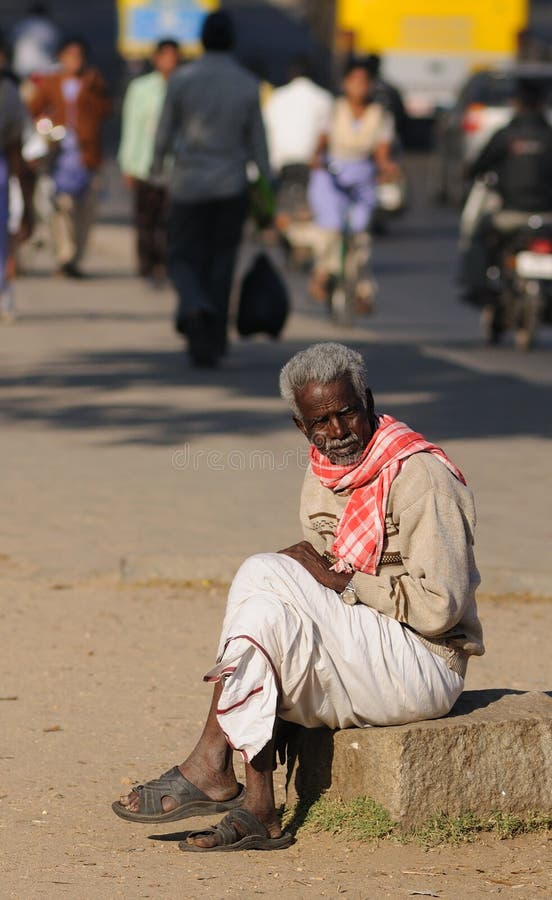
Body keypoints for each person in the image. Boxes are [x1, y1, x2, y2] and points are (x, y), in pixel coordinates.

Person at [112, 342, 484, 852]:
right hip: (363, 651)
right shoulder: (320, 475)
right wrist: (328, 584)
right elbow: (317, 590)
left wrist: (347, 583)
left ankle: (212, 763)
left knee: (263, 571)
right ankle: (258, 804)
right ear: (300, 426)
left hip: (425, 661)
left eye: (347, 412)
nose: (337, 432)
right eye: (321, 421)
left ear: (368, 402)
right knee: (266, 605)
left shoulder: (422, 478)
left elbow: (441, 608)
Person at [151, 10, 271, 367]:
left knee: (181, 257)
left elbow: (164, 131)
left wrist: (157, 169)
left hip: (188, 184)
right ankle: (213, 339)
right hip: (230, 186)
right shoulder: (248, 83)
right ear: (232, 41)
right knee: (221, 263)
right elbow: (259, 144)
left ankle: (193, 302)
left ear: (201, 40)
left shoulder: (183, 79)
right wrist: (267, 183)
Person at [308, 58, 397, 309]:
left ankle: (361, 289)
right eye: (354, 81)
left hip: (362, 173)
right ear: (345, 83)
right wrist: (316, 158)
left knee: (360, 233)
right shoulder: (334, 109)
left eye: (364, 82)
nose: (359, 87)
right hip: (331, 172)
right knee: (330, 228)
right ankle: (322, 274)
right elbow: (321, 141)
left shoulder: (380, 115)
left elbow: (382, 152)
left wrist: (386, 168)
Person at [458, 79, 552, 310]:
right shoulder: (549, 136)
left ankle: (481, 290)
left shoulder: (505, 135)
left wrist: (467, 174)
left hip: (509, 215)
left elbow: (478, 165)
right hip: (547, 216)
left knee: (479, 235)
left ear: (517, 104)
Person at [26, 36, 111, 278]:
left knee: (86, 208)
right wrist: (45, 130)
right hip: (60, 155)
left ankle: (76, 257)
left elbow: (106, 110)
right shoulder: (50, 83)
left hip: (87, 154)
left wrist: (94, 88)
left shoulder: (94, 82)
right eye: (71, 56)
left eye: (80, 56)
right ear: (61, 57)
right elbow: (32, 110)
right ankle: (64, 254)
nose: (75, 61)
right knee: (61, 206)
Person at [118, 38, 181, 284]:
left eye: (173, 57)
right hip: (145, 163)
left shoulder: (184, 87)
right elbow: (131, 126)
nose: (169, 62)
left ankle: (167, 263)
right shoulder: (141, 88)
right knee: (146, 219)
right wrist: (128, 163)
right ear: (156, 59)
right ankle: (147, 264)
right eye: (165, 56)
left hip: (175, 166)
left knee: (171, 220)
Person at [0, 47, 33, 321]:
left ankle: (4, 289)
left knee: (4, 232)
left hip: (3, 169)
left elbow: (17, 139)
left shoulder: (9, 92)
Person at [10, 3, 60, 83]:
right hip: (44, 70)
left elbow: (11, 45)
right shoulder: (50, 27)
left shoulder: (19, 26)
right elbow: (56, 50)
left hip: (20, 69)